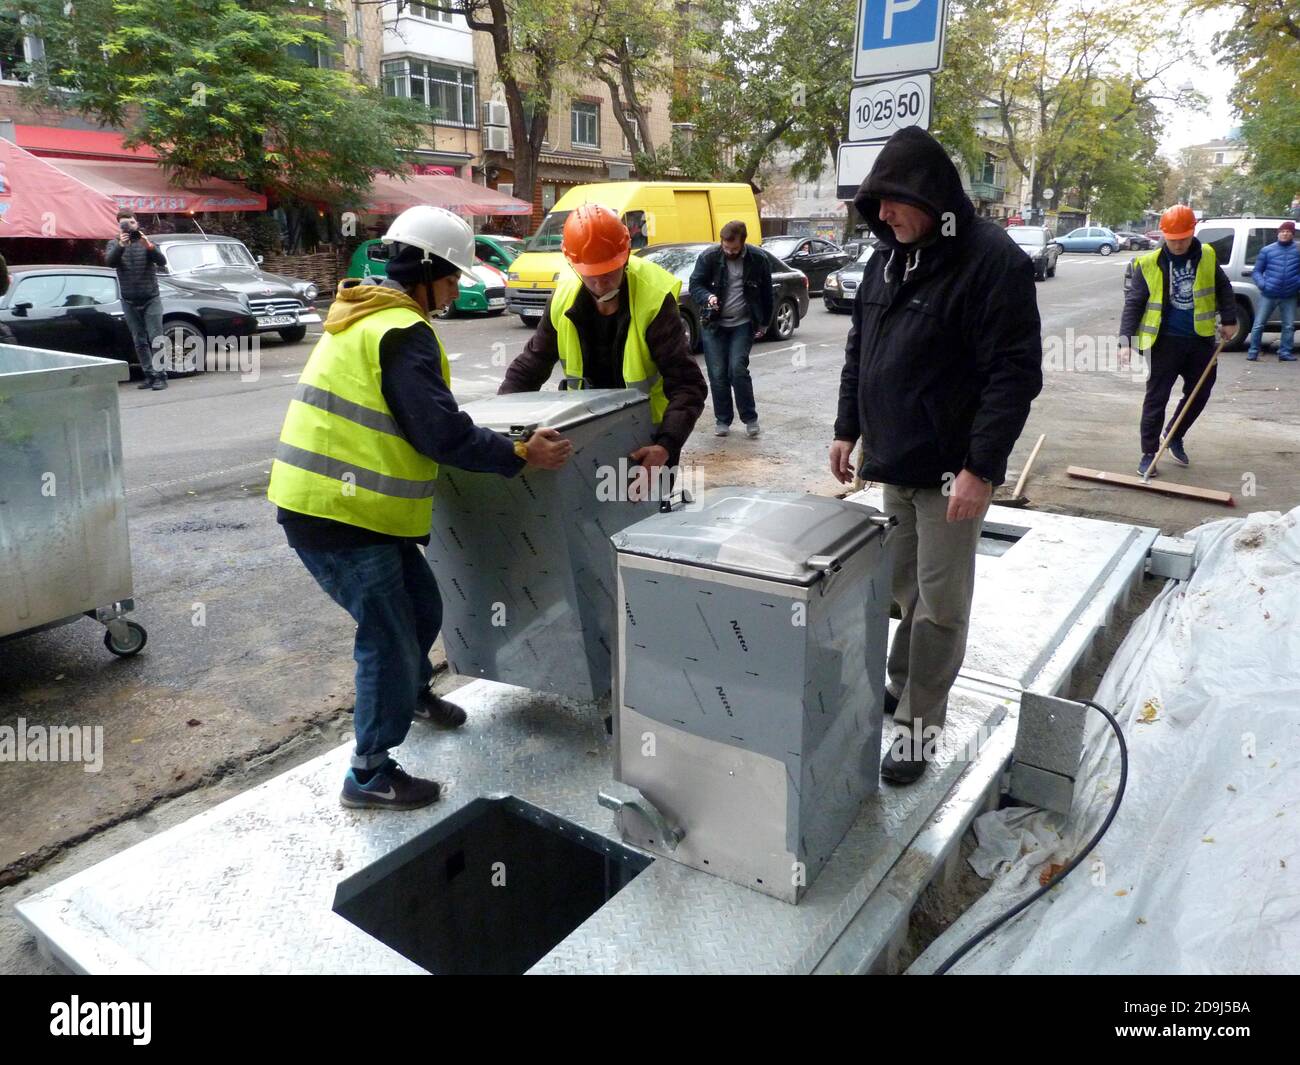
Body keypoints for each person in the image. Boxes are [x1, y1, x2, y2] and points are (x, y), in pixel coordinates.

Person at [268, 205, 573, 811]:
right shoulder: (401, 330)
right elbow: (438, 431)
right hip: (336, 512)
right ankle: (369, 773)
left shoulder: (370, 316)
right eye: (454, 276)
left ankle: (409, 696)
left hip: (348, 508)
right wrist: (520, 453)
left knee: (422, 608)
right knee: (388, 638)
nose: (458, 288)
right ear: (429, 269)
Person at [829, 126, 1042, 785]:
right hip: (893, 463)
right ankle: (902, 683)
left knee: (940, 605)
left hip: (952, 474)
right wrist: (846, 428)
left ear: (929, 195)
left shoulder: (992, 262)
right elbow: (860, 350)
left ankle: (920, 726)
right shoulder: (885, 257)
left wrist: (982, 468)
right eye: (876, 207)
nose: (882, 215)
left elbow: (1014, 373)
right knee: (901, 591)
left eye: (892, 202)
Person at [500, 204, 706, 493]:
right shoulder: (563, 298)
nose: (599, 282)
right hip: (586, 431)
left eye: (608, 272)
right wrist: (502, 430)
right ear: (573, 264)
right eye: (590, 274)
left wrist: (666, 446)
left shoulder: (653, 298)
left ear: (624, 256)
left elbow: (688, 385)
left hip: (646, 435)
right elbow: (530, 366)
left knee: (639, 522)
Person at [1118, 204, 1236, 475]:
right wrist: (1125, 341)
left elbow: (1223, 287)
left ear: (1192, 232)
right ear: (1164, 236)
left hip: (1200, 340)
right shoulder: (1147, 263)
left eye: (1183, 238)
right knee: (1156, 399)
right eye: (1173, 240)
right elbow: (1134, 303)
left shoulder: (1206, 255)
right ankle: (1148, 453)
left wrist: (1229, 320)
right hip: (1163, 343)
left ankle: (1173, 435)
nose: (1179, 244)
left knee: (1200, 393)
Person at [688, 219, 773, 438]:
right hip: (714, 324)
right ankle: (722, 420)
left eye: (733, 249)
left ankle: (750, 418)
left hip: (743, 324)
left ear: (743, 243)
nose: (729, 252)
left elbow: (766, 293)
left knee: (737, 369)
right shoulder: (709, 257)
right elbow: (695, 284)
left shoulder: (758, 259)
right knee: (717, 373)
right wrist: (708, 296)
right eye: (725, 247)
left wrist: (764, 322)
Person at [105, 210, 169, 390]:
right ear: (119, 226)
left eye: (131, 222)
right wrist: (120, 245)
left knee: (156, 337)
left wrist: (149, 245)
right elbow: (110, 262)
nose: (129, 226)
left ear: (137, 223)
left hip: (151, 297)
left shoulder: (146, 242)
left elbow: (162, 261)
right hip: (129, 299)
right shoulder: (114, 243)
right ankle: (149, 374)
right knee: (139, 340)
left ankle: (161, 376)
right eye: (124, 223)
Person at [1245, 219, 1297, 362]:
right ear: (1278, 234)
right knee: (1259, 324)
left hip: (1289, 295)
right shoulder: (1267, 250)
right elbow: (1257, 271)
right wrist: (1263, 284)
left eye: (1288, 232)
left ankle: (1285, 352)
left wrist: (1297, 283)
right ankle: (1253, 351)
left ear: (1292, 234)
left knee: (1288, 326)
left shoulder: (1298, 250)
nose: (1285, 234)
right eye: (1282, 232)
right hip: (1269, 294)